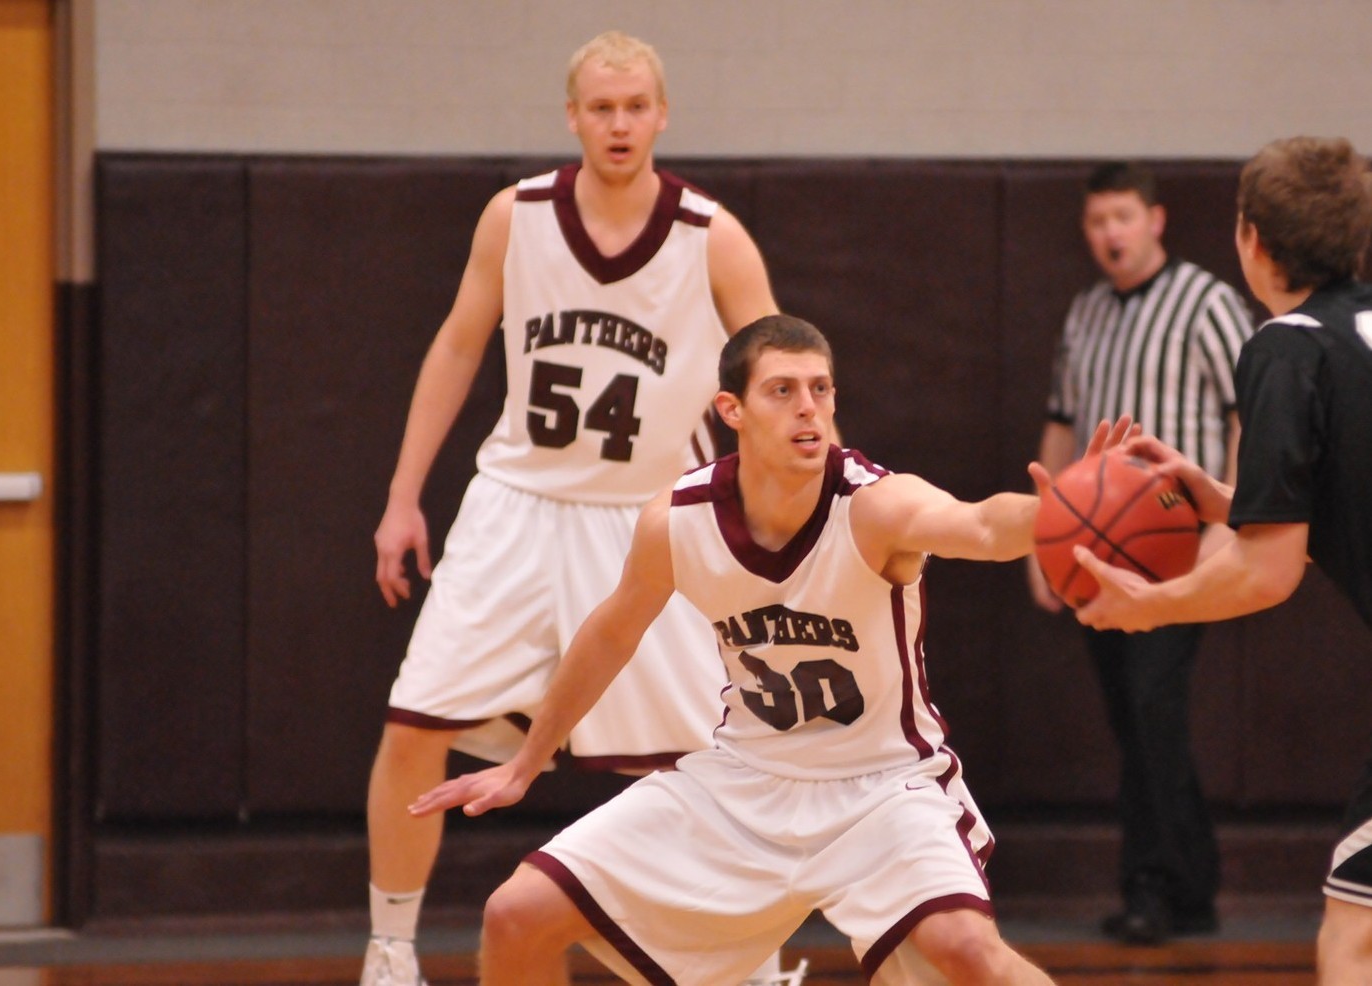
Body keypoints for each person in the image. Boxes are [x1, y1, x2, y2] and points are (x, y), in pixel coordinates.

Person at [406, 315, 1125, 986]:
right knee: (515, 914)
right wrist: (528, 761)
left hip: (882, 787)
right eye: (782, 390)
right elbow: (612, 631)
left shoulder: (875, 506)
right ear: (732, 410)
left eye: (820, 389)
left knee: (968, 951)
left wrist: (1059, 511)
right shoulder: (679, 520)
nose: (808, 407)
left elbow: (978, 526)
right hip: (746, 781)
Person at [360, 30, 788, 986]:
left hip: (646, 515)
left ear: (663, 114)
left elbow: (779, 374)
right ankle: (390, 952)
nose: (620, 123)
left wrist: (787, 507)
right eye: (602, 107)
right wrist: (402, 497)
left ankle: (740, 960)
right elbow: (458, 347)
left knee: (684, 766)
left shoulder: (710, 235)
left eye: (636, 106)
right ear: (572, 117)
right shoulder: (515, 217)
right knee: (413, 724)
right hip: (516, 503)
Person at [1073, 136, 1372, 986]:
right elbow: (1336, 511)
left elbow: (1266, 574)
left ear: (1250, 240)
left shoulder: (1288, 346)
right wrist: (1216, 494)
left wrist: (1151, 603)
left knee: (1353, 943)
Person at [1026, 161, 1255, 944]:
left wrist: (1228, 524)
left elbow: (1245, 417)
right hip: (1095, 552)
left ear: (1155, 219)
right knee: (1134, 722)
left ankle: (1152, 887)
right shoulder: (1086, 311)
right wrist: (1041, 539)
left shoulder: (1207, 302)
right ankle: (1192, 887)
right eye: (1096, 221)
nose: (1109, 234)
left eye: (1123, 216)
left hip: (1175, 548)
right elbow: (1062, 426)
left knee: (1154, 716)